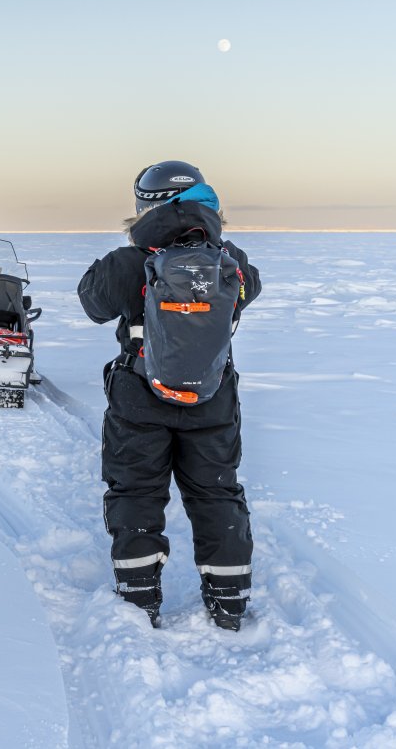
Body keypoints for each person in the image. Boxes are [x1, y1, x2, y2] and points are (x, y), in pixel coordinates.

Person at [77, 161, 261, 631]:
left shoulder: (126, 262)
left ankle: (139, 599)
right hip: (213, 396)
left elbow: (92, 302)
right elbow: (251, 289)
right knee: (216, 493)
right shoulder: (231, 259)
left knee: (136, 491)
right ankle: (230, 602)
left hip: (138, 395)